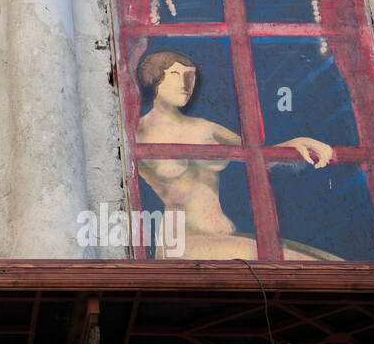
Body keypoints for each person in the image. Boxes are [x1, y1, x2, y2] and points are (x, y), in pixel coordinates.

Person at [134, 50, 335, 260]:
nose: (186, 83)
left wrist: (294, 144)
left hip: (221, 236)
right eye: (175, 74)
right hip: (181, 241)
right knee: (311, 268)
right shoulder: (138, 134)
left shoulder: (206, 128)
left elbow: (258, 157)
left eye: (190, 75)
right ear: (154, 78)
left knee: (329, 263)